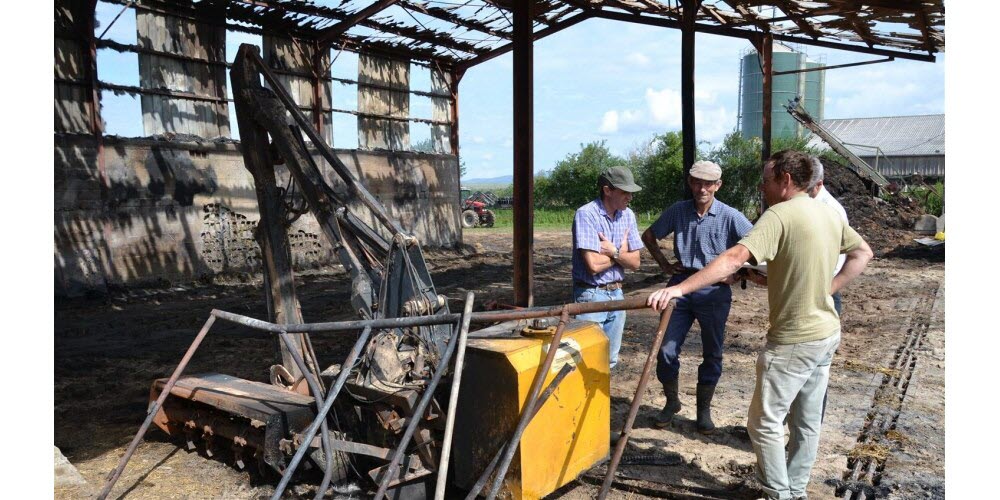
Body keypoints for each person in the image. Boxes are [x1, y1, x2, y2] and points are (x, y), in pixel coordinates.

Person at [647, 150, 873, 500]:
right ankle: (794, 490)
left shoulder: (779, 215)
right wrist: (827, 290)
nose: (761, 187)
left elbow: (734, 258)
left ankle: (777, 494)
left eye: (766, 180)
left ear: (785, 180)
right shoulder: (826, 212)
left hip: (793, 339)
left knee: (763, 423)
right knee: (806, 422)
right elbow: (862, 254)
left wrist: (679, 287)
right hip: (825, 333)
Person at [641, 160, 753, 433]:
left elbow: (757, 246)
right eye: (697, 182)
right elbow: (649, 235)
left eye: (708, 183)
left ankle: (704, 411)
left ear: (718, 185)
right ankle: (671, 402)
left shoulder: (731, 216)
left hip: (714, 290)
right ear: (691, 183)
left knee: (712, 351)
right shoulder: (679, 211)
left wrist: (737, 274)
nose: (702, 189)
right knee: (665, 349)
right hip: (680, 284)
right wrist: (665, 265)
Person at [572, 166, 643, 369]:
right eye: (625, 192)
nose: (630, 197)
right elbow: (593, 265)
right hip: (591, 293)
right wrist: (620, 255)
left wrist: (612, 252)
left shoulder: (628, 215)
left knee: (610, 359)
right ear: (607, 190)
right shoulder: (586, 215)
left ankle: (601, 401)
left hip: (617, 292)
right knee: (586, 358)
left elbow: (636, 262)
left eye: (631, 192)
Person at [807, 158, 848, 316]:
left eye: (806, 186)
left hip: (825, 285)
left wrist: (828, 287)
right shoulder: (810, 204)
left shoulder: (829, 209)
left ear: (819, 184)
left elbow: (840, 253)